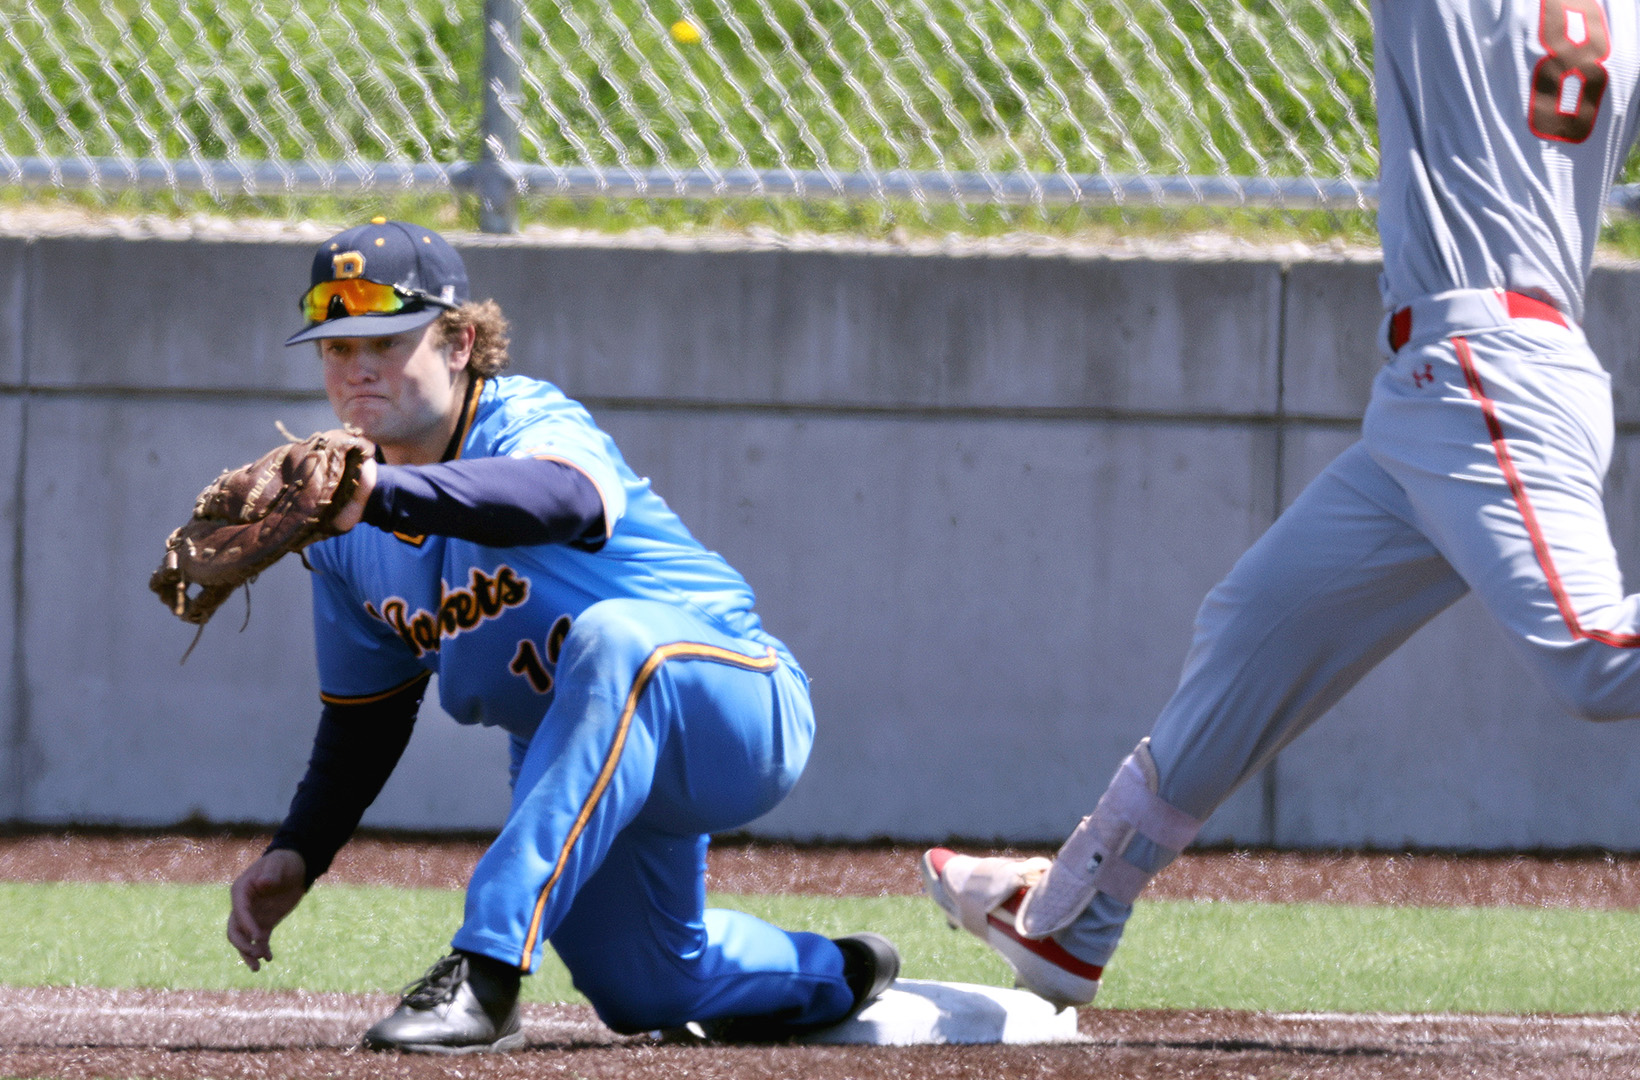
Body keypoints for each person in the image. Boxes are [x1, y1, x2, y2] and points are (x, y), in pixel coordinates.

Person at [925, 0, 1640, 1008]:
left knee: (1594, 656)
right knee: (1257, 623)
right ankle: (1078, 919)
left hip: (1487, 379)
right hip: (1445, 392)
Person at [222, 218, 898, 1053]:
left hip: (732, 705)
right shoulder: (345, 528)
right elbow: (368, 712)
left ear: (461, 341)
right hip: (590, 761)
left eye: (388, 340)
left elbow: (566, 498)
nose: (358, 367)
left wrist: (384, 497)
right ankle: (838, 973)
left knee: (616, 640)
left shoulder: (524, 416)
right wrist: (299, 852)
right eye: (335, 346)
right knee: (646, 985)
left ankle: (485, 972)